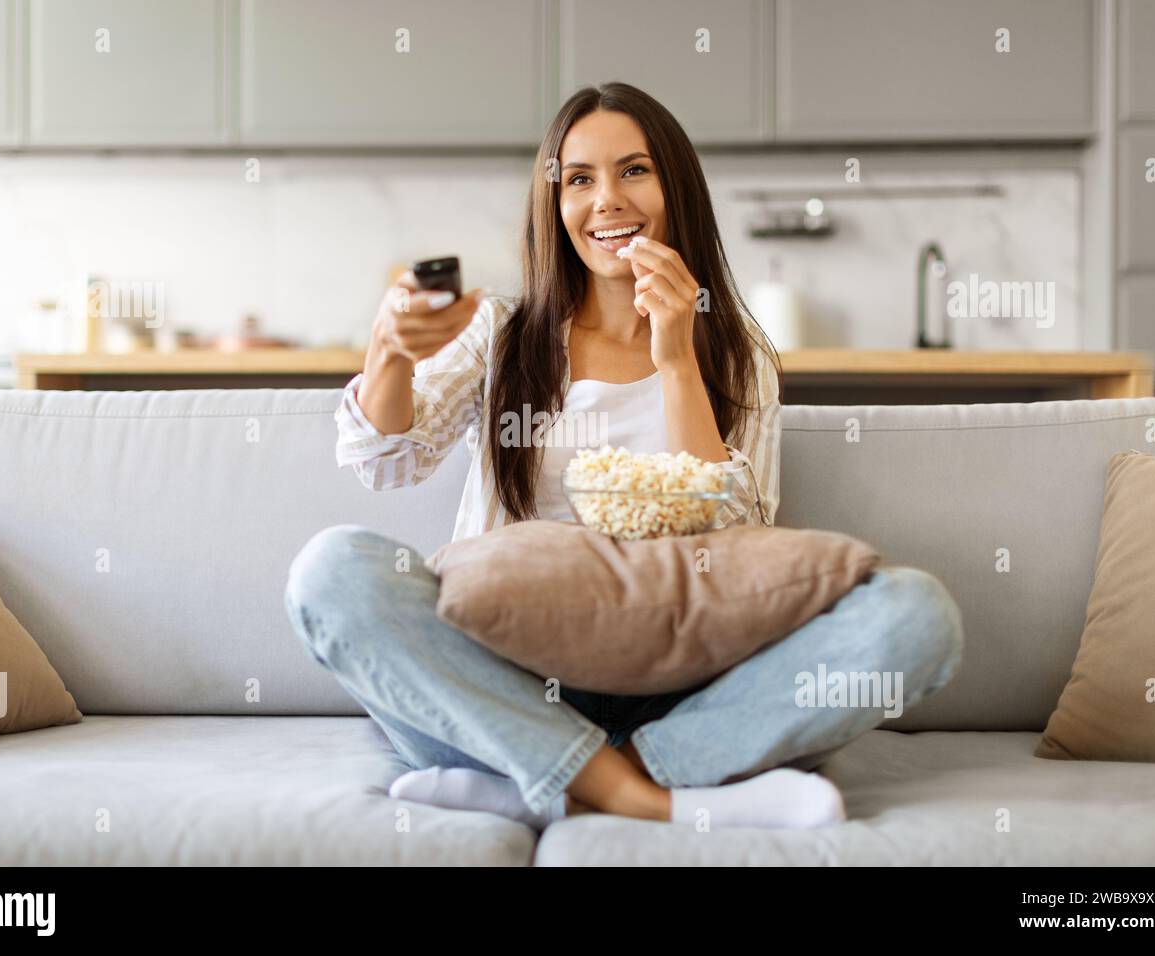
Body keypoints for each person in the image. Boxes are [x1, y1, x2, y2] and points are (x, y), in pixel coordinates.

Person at [285, 83, 964, 831]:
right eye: (579, 179)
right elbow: (385, 459)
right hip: (505, 680)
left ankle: (548, 781)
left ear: (677, 190)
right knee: (332, 570)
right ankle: (647, 795)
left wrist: (677, 359)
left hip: (687, 692)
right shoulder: (503, 335)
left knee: (915, 615)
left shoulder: (740, 353)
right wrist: (388, 354)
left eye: (634, 171)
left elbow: (739, 538)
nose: (606, 200)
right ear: (555, 202)